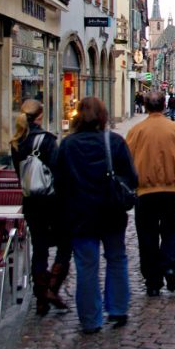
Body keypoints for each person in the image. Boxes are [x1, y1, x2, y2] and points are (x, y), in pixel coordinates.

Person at [54, 97, 138, 334]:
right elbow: (132, 178)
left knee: (87, 267)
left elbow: (58, 185)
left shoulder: (68, 145)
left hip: (80, 217)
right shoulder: (114, 142)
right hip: (111, 213)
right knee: (117, 259)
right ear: (104, 116)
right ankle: (118, 309)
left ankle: (91, 320)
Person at [125, 91, 175, 297]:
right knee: (171, 229)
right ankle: (171, 268)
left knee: (147, 234)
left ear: (145, 106)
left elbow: (126, 160)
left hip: (144, 191)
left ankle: (152, 280)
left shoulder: (136, 130)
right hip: (170, 190)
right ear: (164, 105)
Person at [10, 99, 71, 316]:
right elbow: (57, 173)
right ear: (40, 116)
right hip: (51, 202)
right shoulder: (46, 140)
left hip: (30, 203)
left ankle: (40, 298)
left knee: (40, 249)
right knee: (65, 245)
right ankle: (51, 290)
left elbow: (20, 174)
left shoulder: (16, 142)